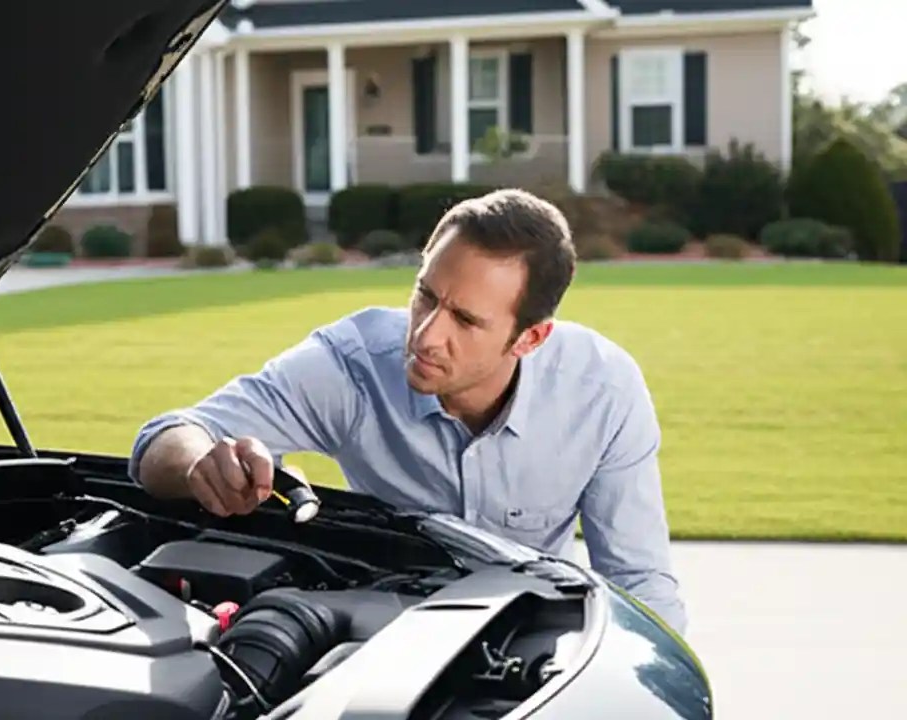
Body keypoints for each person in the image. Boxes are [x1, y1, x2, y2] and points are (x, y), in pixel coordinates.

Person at [127, 188, 687, 634]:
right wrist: (202, 463)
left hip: (529, 641)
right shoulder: (351, 367)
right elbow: (163, 438)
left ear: (531, 338)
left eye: (465, 321)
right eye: (425, 295)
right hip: (388, 638)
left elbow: (638, 582)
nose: (425, 334)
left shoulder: (602, 392)